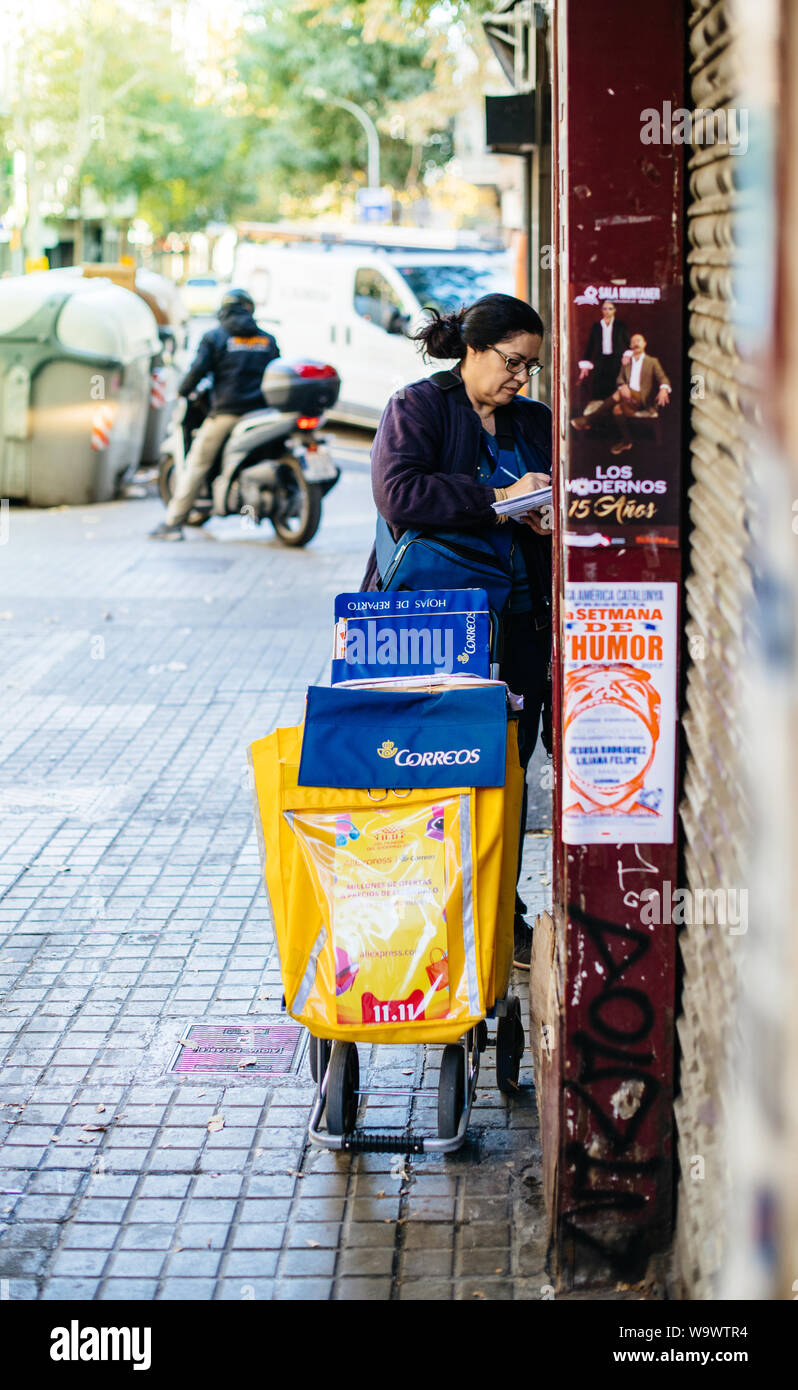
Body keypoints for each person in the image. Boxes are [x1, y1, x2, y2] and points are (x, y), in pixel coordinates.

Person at [361, 293, 552, 968]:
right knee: (431, 770)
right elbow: (400, 494)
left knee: (507, 773)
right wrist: (497, 501)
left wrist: (543, 512)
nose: (521, 379)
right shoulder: (420, 405)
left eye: (530, 367)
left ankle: (503, 915)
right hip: (435, 627)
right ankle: (423, 914)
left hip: (520, 631)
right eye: (511, 362)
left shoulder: (532, 421)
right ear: (473, 349)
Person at [150, 288, 280, 539]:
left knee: (197, 463)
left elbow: (197, 371)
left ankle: (173, 523)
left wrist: (183, 390)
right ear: (249, 309)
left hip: (226, 414)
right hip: (264, 413)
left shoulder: (215, 337)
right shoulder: (267, 340)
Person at [571, 331, 671, 453]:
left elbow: (662, 377)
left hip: (643, 400)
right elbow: (620, 378)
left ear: (644, 344)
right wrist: (623, 385)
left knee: (618, 394)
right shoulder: (627, 362)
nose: (636, 343)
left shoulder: (652, 361)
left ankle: (588, 420)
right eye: (633, 341)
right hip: (628, 400)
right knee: (617, 409)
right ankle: (627, 440)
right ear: (630, 345)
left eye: (639, 341)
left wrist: (664, 389)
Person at [577, 298, 630, 401]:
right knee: (600, 387)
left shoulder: (620, 326)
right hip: (600, 361)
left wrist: (627, 355)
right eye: (605, 308)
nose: (607, 311)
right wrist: (585, 366)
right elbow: (590, 346)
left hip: (616, 361)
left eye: (610, 308)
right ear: (601, 310)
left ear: (614, 310)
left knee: (615, 386)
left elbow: (628, 344)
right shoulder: (596, 326)